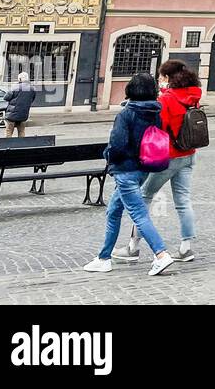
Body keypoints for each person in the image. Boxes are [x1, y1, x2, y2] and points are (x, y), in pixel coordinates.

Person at [82, 72, 175, 276]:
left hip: (126, 171)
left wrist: (108, 156)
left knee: (139, 214)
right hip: (143, 168)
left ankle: (161, 254)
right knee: (113, 211)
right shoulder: (155, 112)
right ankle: (104, 258)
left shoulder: (126, 114)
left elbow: (117, 145)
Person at [122, 61, 200, 264]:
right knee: (183, 201)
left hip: (169, 155)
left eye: (160, 77)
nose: (159, 81)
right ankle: (186, 248)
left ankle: (133, 246)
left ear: (167, 78)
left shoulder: (167, 99)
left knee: (144, 197)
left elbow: (157, 126)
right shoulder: (193, 96)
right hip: (189, 153)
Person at [3, 72, 36, 138]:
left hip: (12, 114)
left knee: (9, 131)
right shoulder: (32, 88)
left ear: (20, 79)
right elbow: (32, 100)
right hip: (24, 114)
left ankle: (8, 145)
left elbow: (6, 97)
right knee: (21, 131)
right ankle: (21, 145)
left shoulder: (15, 87)